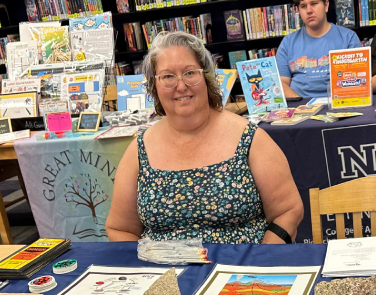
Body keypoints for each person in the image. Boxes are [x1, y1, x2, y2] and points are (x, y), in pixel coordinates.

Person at [106, 31, 303, 244]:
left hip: (241, 272)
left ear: (207, 77)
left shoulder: (250, 139)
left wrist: (260, 263)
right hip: (165, 273)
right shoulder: (139, 149)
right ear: (154, 87)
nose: (181, 86)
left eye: (190, 73)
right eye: (168, 76)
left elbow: (288, 211)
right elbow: (121, 229)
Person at [275, 0, 361, 100]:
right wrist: (301, 106)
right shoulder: (288, 43)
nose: (309, 10)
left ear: (326, 5)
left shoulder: (348, 38)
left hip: (339, 104)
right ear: (298, 10)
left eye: (314, 4)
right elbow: (281, 83)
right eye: (303, 6)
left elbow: (357, 81)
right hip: (299, 108)